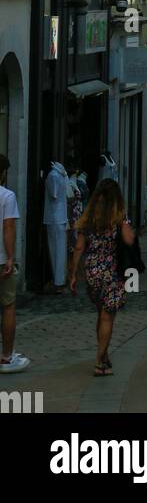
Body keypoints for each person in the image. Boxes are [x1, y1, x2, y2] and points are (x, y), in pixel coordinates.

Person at [70, 179, 136, 377]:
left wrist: (73, 274)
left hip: (92, 271)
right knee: (108, 315)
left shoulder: (88, 217)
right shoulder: (119, 217)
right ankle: (100, 361)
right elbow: (129, 240)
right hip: (113, 271)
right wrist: (126, 225)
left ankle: (104, 356)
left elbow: (79, 247)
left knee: (101, 313)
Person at [0, 154, 29, 374]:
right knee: (8, 306)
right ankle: (7, 356)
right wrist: (11, 257)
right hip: (0, 260)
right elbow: (8, 227)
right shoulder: (6, 196)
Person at [43, 158, 69, 293]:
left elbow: (53, 194)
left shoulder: (53, 175)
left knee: (55, 250)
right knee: (60, 250)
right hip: (60, 216)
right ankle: (60, 279)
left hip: (54, 217)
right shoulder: (61, 175)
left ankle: (58, 280)